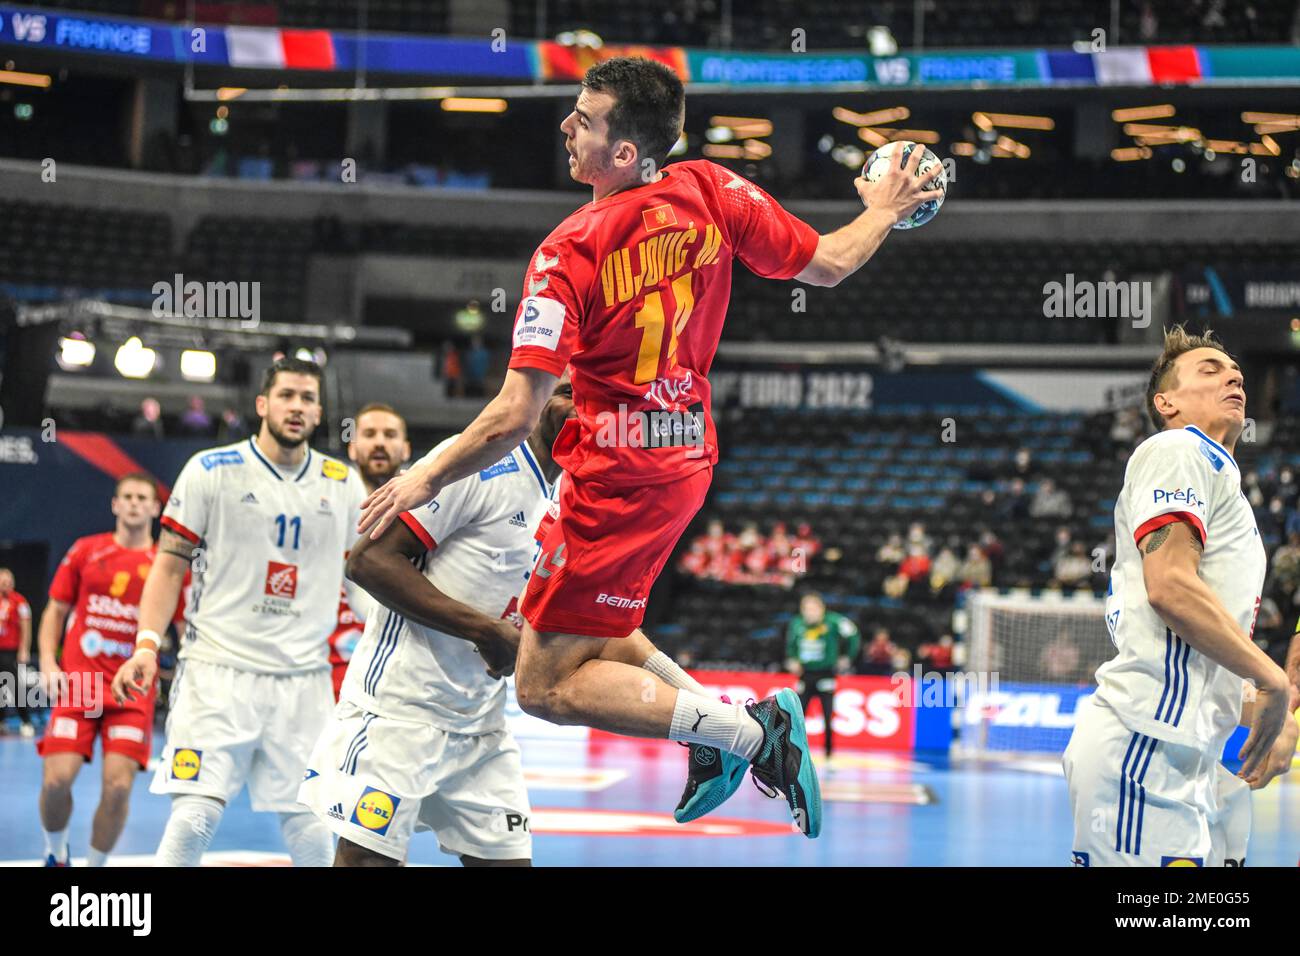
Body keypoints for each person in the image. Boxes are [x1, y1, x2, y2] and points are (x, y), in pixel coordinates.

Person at [356, 56, 939, 838]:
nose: (566, 126)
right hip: (686, 456)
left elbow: (510, 415)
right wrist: (886, 208)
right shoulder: (710, 187)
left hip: (616, 474)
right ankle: (714, 730)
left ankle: (747, 733)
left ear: (624, 154)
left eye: (584, 120)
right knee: (599, 629)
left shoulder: (567, 251)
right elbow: (829, 264)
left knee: (543, 684)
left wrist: (421, 479)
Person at [300, 381, 571, 866]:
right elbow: (369, 562)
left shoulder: (571, 496)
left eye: (592, 394)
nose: (578, 405)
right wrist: (485, 631)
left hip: (481, 724)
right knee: (368, 862)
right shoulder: (474, 461)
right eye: (566, 390)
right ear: (536, 395)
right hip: (399, 713)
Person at [110, 357, 367, 867]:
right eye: (288, 395)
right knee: (193, 820)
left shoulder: (343, 482)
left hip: (304, 681)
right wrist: (145, 645)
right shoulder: (210, 470)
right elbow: (168, 566)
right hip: (216, 674)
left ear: (319, 413)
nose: (297, 407)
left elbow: (361, 584)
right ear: (262, 404)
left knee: (313, 832)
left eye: (308, 399)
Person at [1064, 327, 1297, 867]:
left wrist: (1272, 714)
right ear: (1165, 402)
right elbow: (1169, 587)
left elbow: (1192, 658)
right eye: (1210, 370)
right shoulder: (1178, 448)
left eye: (1234, 370)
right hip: (1144, 743)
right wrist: (1272, 679)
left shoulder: (1222, 480)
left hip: (1186, 753)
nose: (1233, 375)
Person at [35, 474, 184, 867]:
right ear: (116, 505)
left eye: (143, 498)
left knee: (117, 788)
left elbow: (184, 629)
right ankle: (56, 853)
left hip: (132, 690)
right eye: (127, 497)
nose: (135, 504)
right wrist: (48, 663)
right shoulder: (87, 551)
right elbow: (55, 611)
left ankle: (95, 867)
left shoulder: (165, 566)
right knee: (55, 781)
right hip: (80, 685)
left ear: (156, 508)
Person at [324, 403, 411, 699]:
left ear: (406, 449)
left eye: (390, 435)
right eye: (369, 434)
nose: (379, 442)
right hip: (324, 664)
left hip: (399, 664)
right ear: (352, 448)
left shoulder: (430, 509)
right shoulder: (324, 502)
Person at [784, 592, 860, 761]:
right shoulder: (796, 624)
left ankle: (828, 753)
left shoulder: (834, 622)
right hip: (805, 675)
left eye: (813, 608)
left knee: (827, 715)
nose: (809, 612)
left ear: (821, 609)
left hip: (826, 674)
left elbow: (854, 635)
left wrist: (847, 657)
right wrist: (792, 659)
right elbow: (790, 645)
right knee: (797, 716)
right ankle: (793, 753)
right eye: (806, 609)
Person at [0, 567, 34, 737]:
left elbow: (26, 627)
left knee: (13, 685)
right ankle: (1, 721)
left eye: (9, 581)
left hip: (10, 651)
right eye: (3, 581)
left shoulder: (19, 601)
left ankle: (26, 721)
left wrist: (24, 650)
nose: (6, 584)